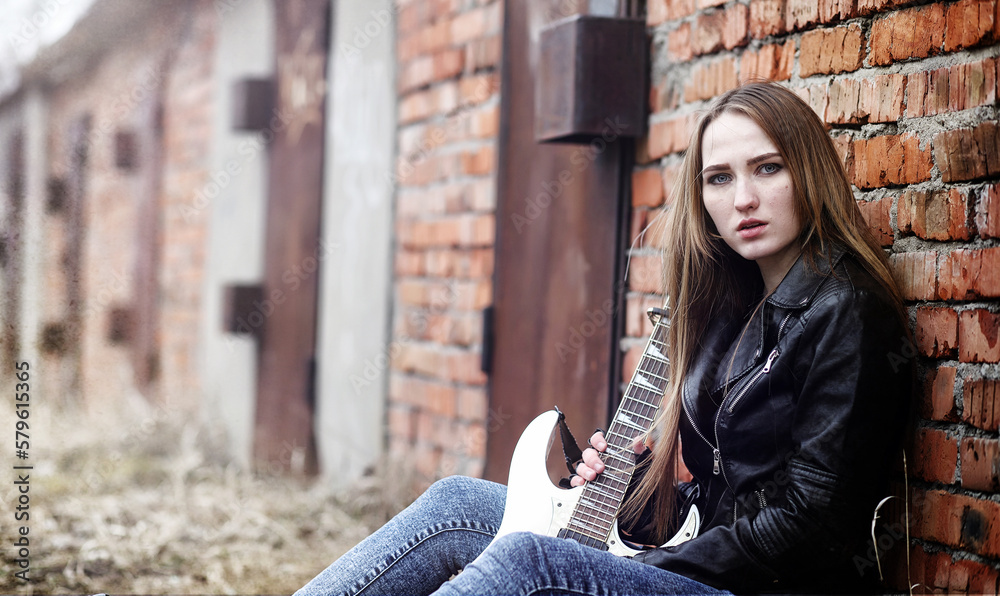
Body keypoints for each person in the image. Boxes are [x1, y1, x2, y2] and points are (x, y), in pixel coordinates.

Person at [296, 81, 912, 596]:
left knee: (528, 563)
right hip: (704, 563)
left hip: (762, 587)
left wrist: (647, 566)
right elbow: (725, 491)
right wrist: (630, 491)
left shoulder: (848, 311)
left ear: (808, 170)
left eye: (767, 169)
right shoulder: (734, 304)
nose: (743, 199)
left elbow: (809, 523)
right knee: (455, 505)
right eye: (719, 178)